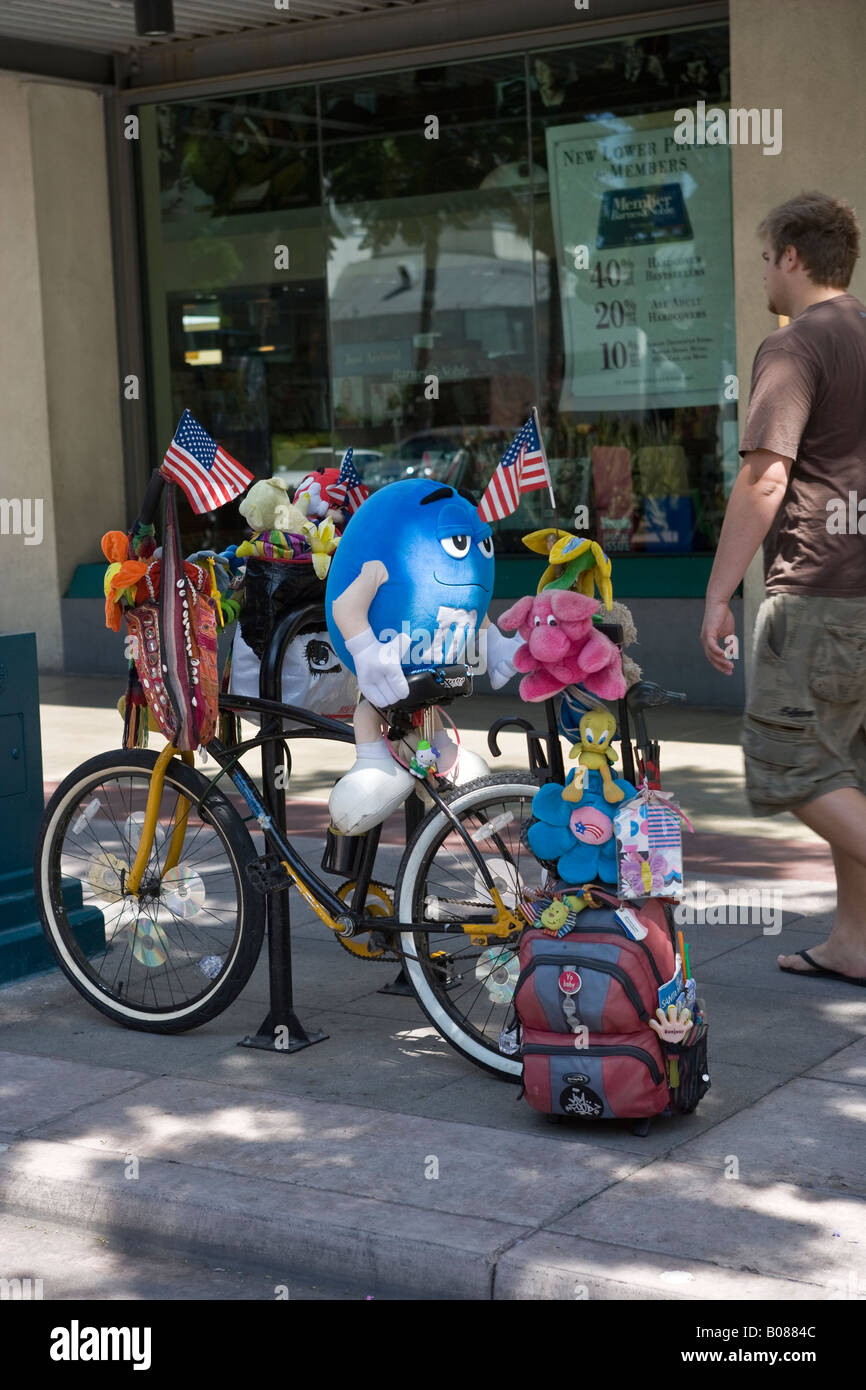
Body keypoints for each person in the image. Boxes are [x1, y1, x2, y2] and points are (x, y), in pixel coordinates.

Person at [700, 190, 866, 986]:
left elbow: (766, 478)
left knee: (788, 763)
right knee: (848, 769)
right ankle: (855, 943)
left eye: (767, 258)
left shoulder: (795, 345)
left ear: (793, 258)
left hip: (818, 591)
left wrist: (718, 592)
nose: (763, 273)